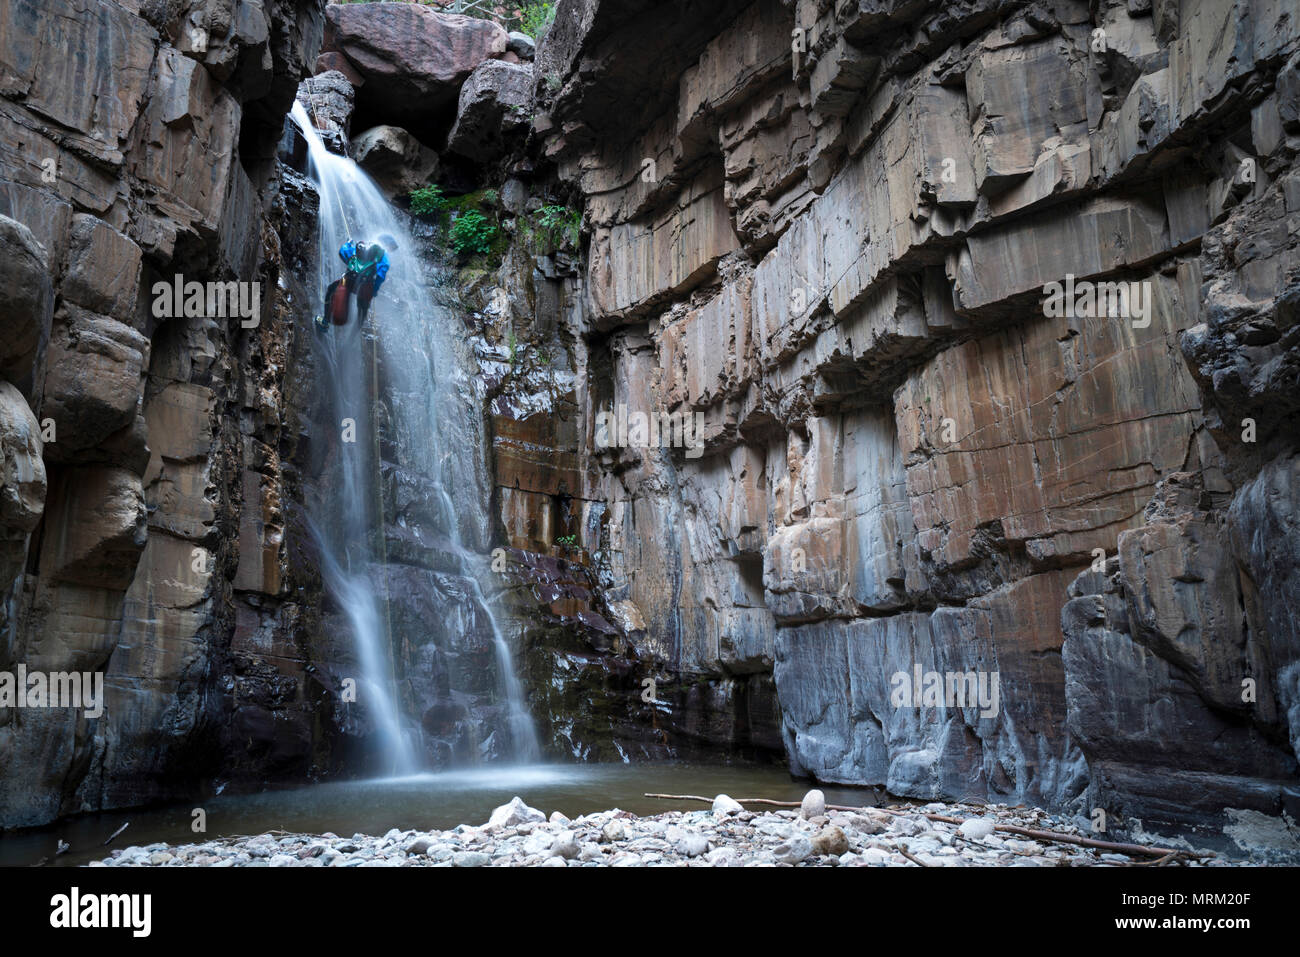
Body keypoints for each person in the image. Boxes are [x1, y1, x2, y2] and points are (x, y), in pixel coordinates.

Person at [315, 235, 394, 330]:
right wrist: (374, 291)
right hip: (362, 288)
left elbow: (342, 251)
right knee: (363, 308)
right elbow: (380, 275)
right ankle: (356, 331)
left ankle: (325, 322)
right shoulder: (376, 260)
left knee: (331, 290)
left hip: (348, 284)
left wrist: (348, 242)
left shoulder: (353, 253)